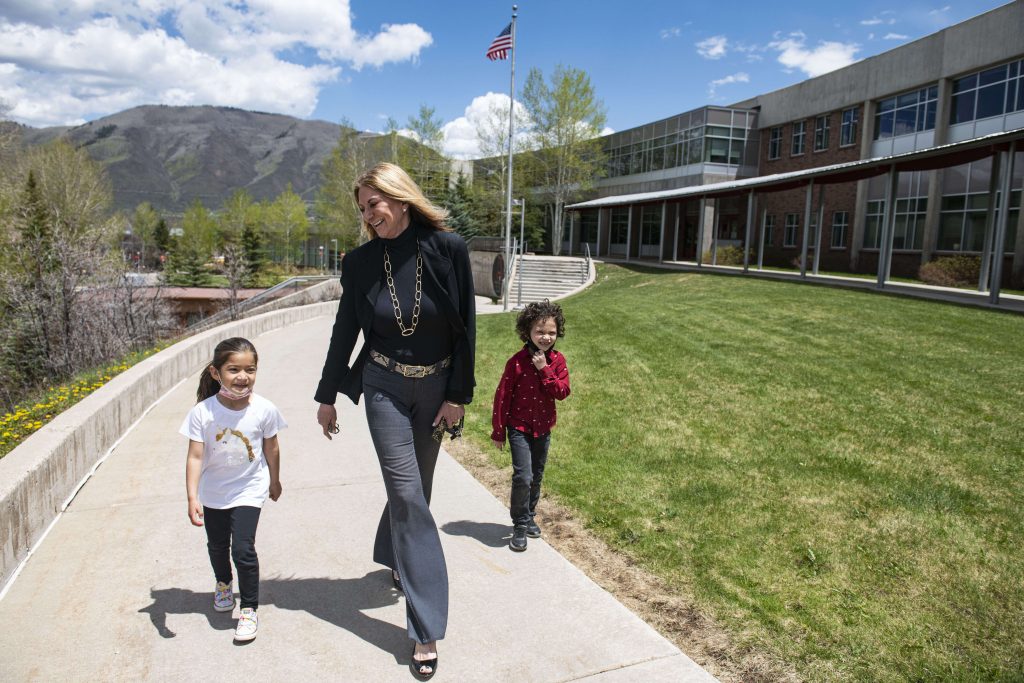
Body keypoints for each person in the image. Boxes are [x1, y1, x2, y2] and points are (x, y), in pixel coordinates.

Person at [314, 162, 475, 680]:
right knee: (406, 492)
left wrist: (458, 395)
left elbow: (466, 329)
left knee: (417, 487)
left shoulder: (448, 250)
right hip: (382, 384)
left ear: (400, 199)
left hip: (435, 387)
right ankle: (424, 626)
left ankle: (392, 552)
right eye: (362, 209)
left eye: (373, 205)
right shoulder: (361, 262)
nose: (367, 216)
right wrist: (328, 393)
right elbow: (345, 329)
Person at [181, 337, 286, 642]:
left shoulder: (264, 409)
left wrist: (275, 480)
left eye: (250, 370)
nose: (243, 376)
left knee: (242, 548)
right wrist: (192, 496)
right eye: (233, 369)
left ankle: (250, 609)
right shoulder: (203, 412)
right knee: (217, 545)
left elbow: (272, 447)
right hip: (214, 492)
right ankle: (223, 583)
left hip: (250, 489)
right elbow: (195, 456)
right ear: (216, 373)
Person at [491, 300, 571, 552]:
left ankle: (531, 514)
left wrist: (545, 370)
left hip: (543, 429)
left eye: (551, 332)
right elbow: (502, 397)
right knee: (523, 476)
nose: (546, 337)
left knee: (536, 476)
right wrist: (498, 431)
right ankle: (520, 524)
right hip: (519, 428)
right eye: (540, 331)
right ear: (527, 332)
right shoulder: (515, 362)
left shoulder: (558, 361)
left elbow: (562, 392)